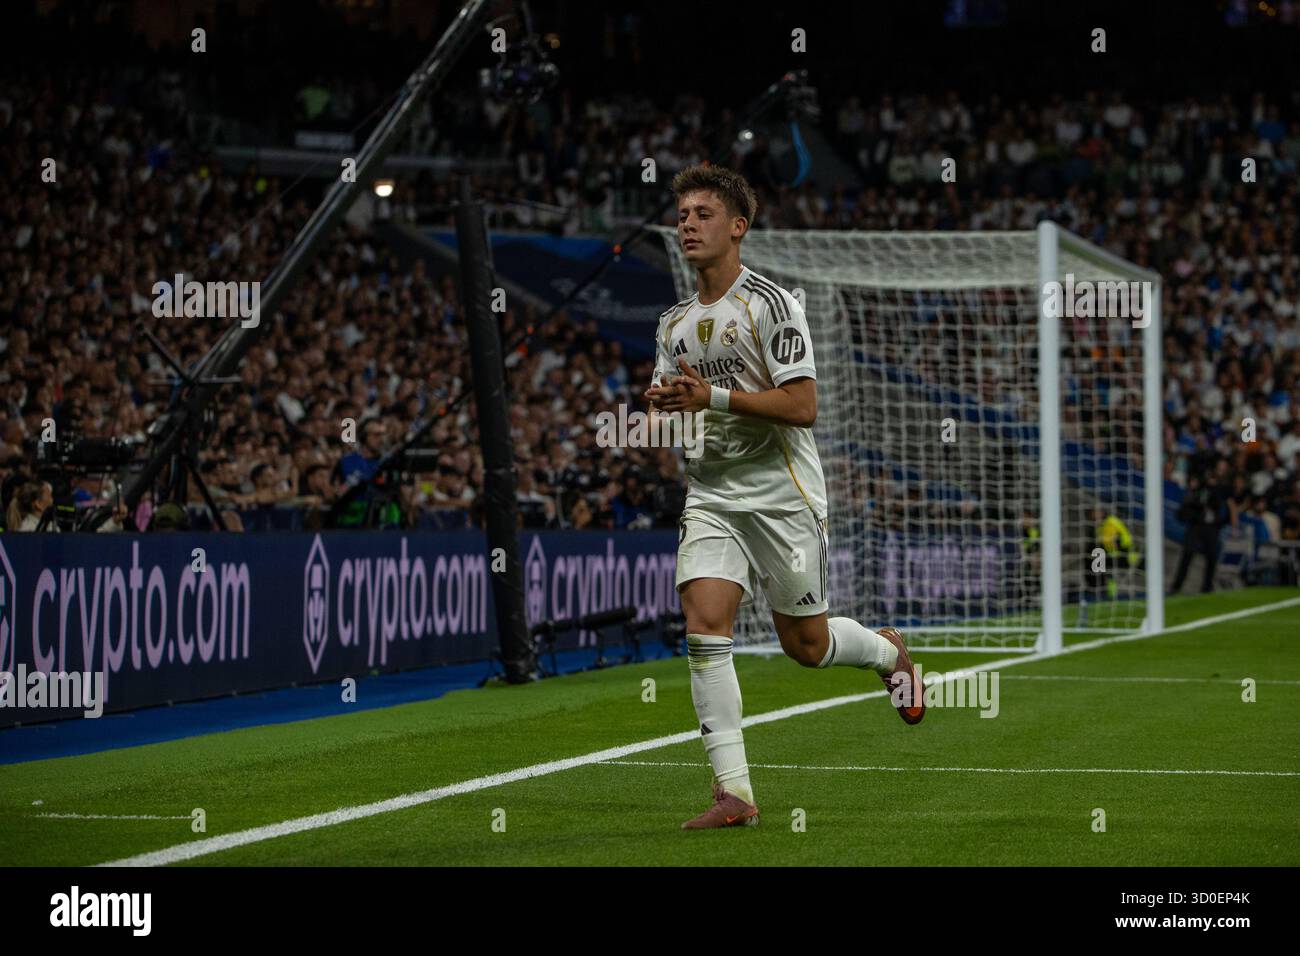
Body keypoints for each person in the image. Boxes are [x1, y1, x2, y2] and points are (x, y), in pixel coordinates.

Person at [643, 164, 924, 831]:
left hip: (781, 495)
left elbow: (802, 406)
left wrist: (708, 396)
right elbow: (669, 410)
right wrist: (663, 409)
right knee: (704, 622)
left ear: (738, 227)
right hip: (711, 493)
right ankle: (734, 793)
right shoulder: (673, 322)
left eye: (703, 213)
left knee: (806, 645)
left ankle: (887, 651)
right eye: (682, 214)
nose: (688, 223)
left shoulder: (771, 304)